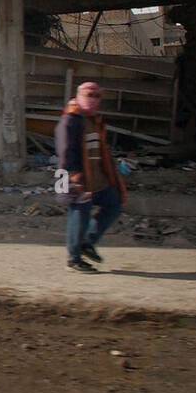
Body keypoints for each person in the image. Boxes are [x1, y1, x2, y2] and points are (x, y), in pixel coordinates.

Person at [55, 81, 127, 273]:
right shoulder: (70, 120)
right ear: (79, 96)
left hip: (95, 176)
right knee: (79, 214)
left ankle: (87, 242)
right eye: (89, 95)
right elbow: (65, 151)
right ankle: (74, 259)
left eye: (97, 96)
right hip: (72, 175)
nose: (93, 100)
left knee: (114, 204)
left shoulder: (94, 120)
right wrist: (74, 178)